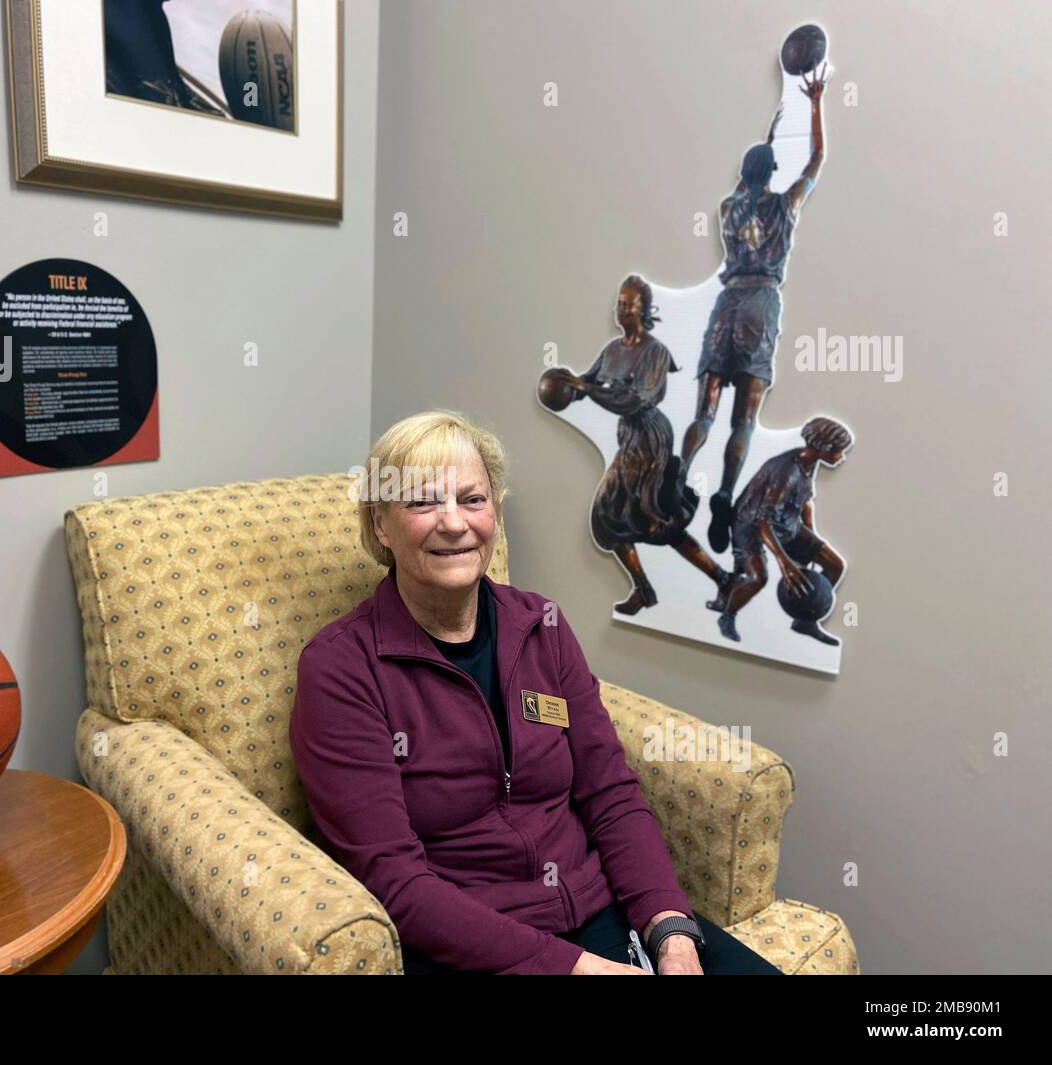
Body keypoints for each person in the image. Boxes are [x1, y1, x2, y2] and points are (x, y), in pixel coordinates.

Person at [289, 411, 781, 975]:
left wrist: (670, 932)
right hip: (471, 943)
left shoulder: (540, 625)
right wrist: (580, 970)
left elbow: (611, 795)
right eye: (423, 503)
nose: (454, 523)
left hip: (598, 910)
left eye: (472, 499)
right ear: (381, 526)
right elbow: (393, 881)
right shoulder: (340, 668)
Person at [677, 63, 829, 555]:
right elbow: (816, 160)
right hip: (762, 303)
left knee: (706, 408)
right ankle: (723, 492)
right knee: (744, 420)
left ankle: (679, 475)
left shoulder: (728, 208)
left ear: (742, 174)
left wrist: (766, 137)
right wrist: (816, 102)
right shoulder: (785, 206)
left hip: (728, 301)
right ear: (771, 173)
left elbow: (749, 182)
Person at [558, 275, 732, 616]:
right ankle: (646, 588)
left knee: (656, 522)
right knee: (609, 518)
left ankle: (721, 579)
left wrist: (590, 390)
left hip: (650, 439)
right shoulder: (612, 351)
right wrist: (567, 384)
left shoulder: (655, 352)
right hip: (629, 438)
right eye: (619, 303)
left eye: (628, 304)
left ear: (644, 309)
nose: (621, 309)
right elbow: (588, 382)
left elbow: (637, 399)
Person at [715, 416, 851, 643]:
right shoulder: (786, 472)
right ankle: (727, 616)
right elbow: (762, 521)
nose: (841, 456)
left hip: (783, 521)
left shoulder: (808, 462)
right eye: (839, 451)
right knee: (758, 577)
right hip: (750, 524)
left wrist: (811, 539)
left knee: (835, 565)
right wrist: (786, 564)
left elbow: (806, 502)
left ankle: (805, 621)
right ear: (824, 447)